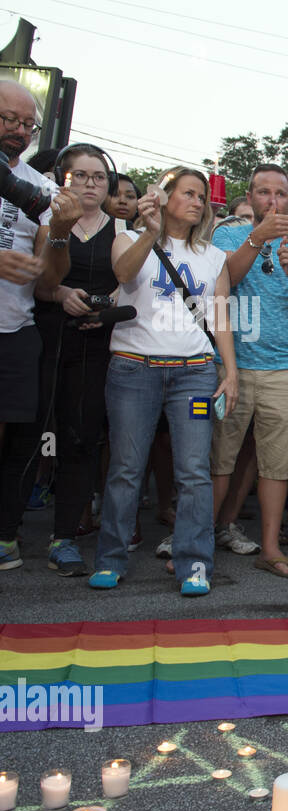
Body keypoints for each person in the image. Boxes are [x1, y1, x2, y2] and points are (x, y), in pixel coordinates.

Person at [90, 168, 238, 595]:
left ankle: (194, 563)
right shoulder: (126, 237)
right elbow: (122, 274)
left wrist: (230, 371)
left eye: (201, 197)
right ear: (165, 196)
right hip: (134, 368)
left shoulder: (214, 257)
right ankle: (111, 559)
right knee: (126, 468)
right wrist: (148, 234)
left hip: (194, 371)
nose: (197, 201)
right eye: (188, 193)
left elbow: (221, 317)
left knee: (194, 471)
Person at [210, 163, 288, 578]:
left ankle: (270, 547)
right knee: (219, 459)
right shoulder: (228, 236)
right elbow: (227, 280)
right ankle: (200, 539)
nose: (272, 201)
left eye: (280, 194)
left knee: (277, 465)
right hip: (232, 366)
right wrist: (257, 239)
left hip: (283, 370)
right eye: (263, 193)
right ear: (251, 197)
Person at [31, 145, 122, 576]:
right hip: (46, 338)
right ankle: (8, 533)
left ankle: (64, 536)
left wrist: (104, 310)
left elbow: (135, 287)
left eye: (98, 177)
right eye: (80, 176)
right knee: (26, 437)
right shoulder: (47, 221)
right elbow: (39, 282)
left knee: (82, 440)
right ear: (61, 179)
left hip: (98, 344)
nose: (90, 184)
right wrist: (60, 294)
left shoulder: (123, 230)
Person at [0, 80, 74, 573]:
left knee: (16, 441)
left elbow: (50, 278)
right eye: (9, 119)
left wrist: (60, 233)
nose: (20, 131)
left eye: (28, 124)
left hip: (17, 330)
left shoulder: (40, 187)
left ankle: (5, 535)